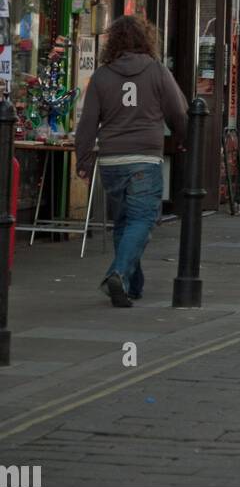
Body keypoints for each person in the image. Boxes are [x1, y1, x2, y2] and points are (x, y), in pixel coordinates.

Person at [75, 16, 187, 307]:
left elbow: (87, 123)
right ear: (146, 39)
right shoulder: (157, 72)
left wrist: (84, 158)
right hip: (144, 159)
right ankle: (118, 273)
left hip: (111, 160)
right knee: (143, 219)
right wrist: (183, 139)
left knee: (124, 222)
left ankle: (131, 286)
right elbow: (179, 112)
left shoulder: (101, 76)